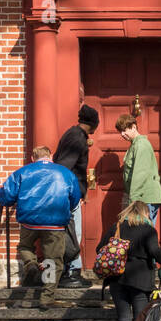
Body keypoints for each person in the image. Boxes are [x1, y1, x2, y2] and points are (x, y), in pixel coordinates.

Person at [0, 146, 81, 306]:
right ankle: (46, 298)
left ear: (32, 158)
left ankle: (31, 264)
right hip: (55, 222)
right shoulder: (65, 173)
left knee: (25, 247)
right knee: (53, 260)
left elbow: (7, 195)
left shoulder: (22, 172)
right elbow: (75, 198)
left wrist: (0, 196)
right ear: (51, 156)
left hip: (29, 221)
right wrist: (66, 209)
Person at [97, 199, 161, 321]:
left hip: (117, 278)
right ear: (145, 213)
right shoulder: (148, 230)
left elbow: (99, 249)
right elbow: (154, 251)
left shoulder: (116, 227)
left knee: (123, 319)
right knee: (140, 319)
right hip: (140, 280)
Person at [53, 97, 99, 288]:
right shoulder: (78, 139)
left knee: (70, 232)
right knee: (74, 233)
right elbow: (65, 167)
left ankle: (70, 269)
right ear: (93, 124)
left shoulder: (72, 135)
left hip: (68, 193)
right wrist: (75, 192)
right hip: (68, 195)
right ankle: (71, 272)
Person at [116, 114, 161, 226]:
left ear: (134, 127)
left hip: (143, 199)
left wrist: (133, 202)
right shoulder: (135, 144)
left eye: (124, 130)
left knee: (141, 234)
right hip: (141, 198)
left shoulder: (141, 145)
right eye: (120, 131)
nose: (122, 134)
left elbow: (140, 174)